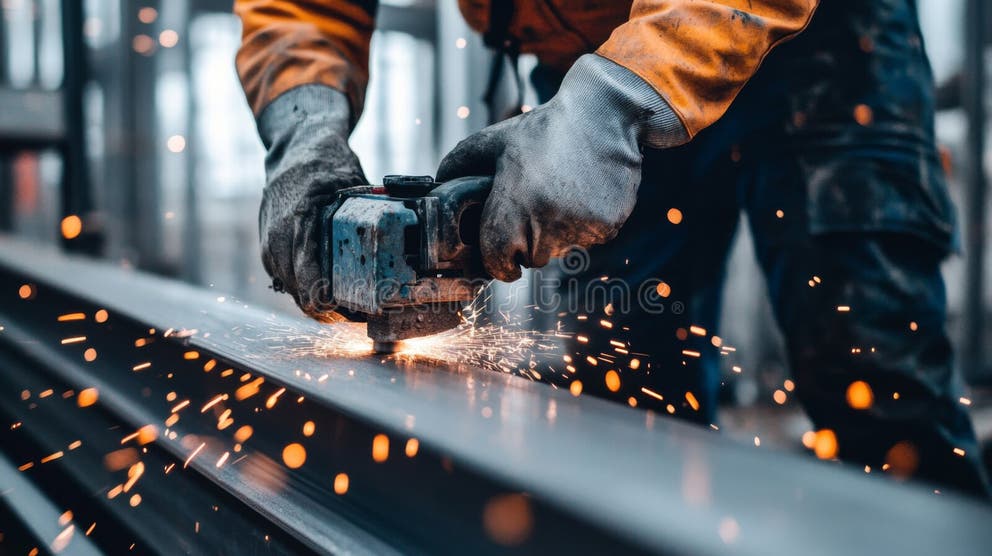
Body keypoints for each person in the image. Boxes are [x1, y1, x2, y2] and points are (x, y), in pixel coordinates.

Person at [235, 0, 990, 496]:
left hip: (817, 38)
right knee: (618, 404)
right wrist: (302, 129)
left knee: (873, 378)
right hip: (589, 54)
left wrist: (617, 101)